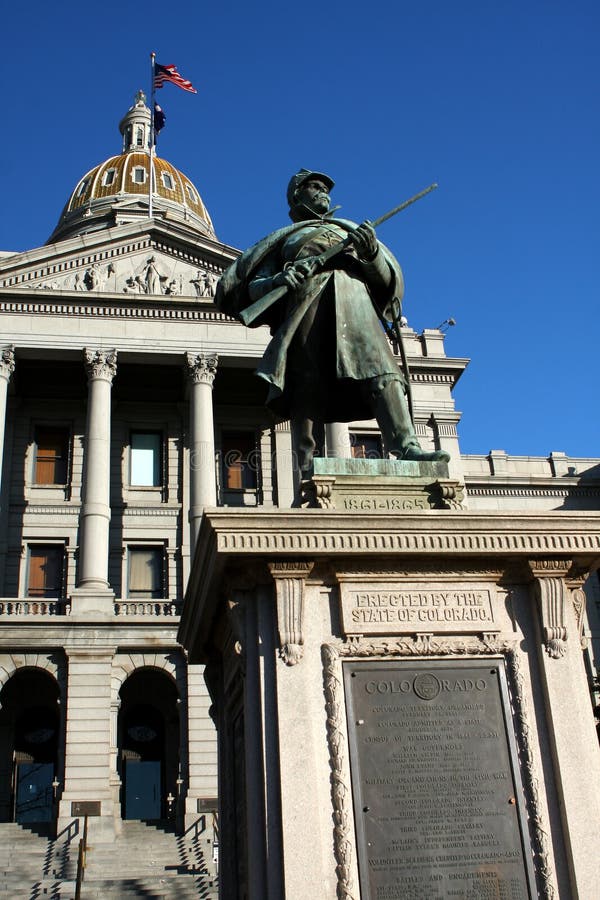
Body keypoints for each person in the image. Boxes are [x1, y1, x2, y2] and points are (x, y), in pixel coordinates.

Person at [216, 169, 449, 470]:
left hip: (355, 305)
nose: (323, 191)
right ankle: (307, 462)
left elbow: (388, 282)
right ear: (296, 196)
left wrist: (372, 253)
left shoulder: (348, 230)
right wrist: (280, 279)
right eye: (314, 186)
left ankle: (407, 446)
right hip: (307, 308)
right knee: (306, 383)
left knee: (383, 372)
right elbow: (251, 288)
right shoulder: (284, 240)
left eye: (325, 187)